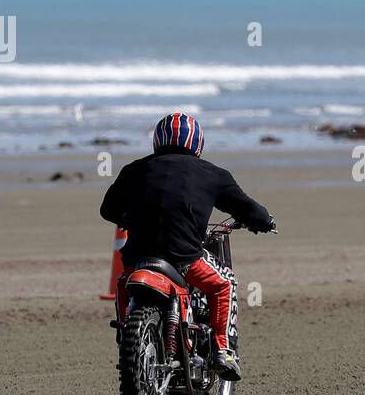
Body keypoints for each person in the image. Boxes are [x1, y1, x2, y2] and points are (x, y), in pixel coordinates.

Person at [100, 112, 274, 381]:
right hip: (184, 257)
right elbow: (248, 208)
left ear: (157, 141)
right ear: (198, 144)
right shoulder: (213, 174)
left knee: (124, 280)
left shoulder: (133, 169)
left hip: (138, 258)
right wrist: (265, 222)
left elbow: (108, 209)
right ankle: (223, 350)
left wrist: (131, 218)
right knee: (223, 284)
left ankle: (126, 335)